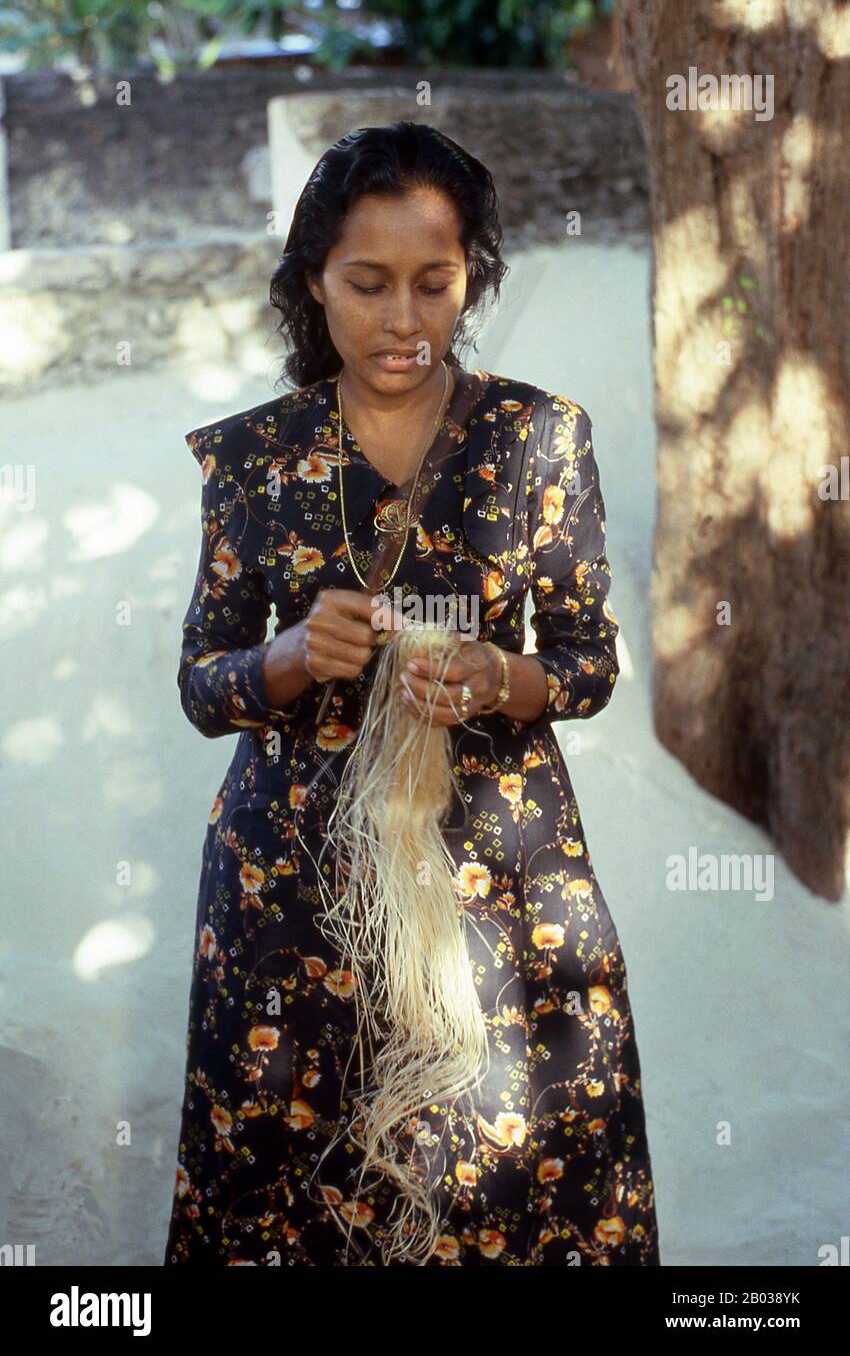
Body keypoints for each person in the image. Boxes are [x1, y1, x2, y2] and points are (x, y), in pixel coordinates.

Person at [163, 121, 660, 1266]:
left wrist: (501, 673)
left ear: (469, 279)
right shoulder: (252, 459)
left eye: (434, 284)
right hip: (295, 890)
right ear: (310, 288)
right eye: (366, 284)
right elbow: (202, 682)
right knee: (303, 1166)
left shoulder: (538, 438)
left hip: (498, 876)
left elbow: (587, 661)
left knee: (509, 1145)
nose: (403, 320)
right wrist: (288, 659)